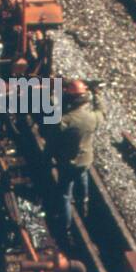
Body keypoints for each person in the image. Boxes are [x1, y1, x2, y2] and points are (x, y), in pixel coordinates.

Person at [50, 78, 103, 246]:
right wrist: (98, 94)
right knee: (83, 178)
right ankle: (84, 203)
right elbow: (102, 110)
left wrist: (53, 95)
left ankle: (65, 227)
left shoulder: (66, 120)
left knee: (65, 195)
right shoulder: (93, 118)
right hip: (85, 161)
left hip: (68, 163)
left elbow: (53, 126)